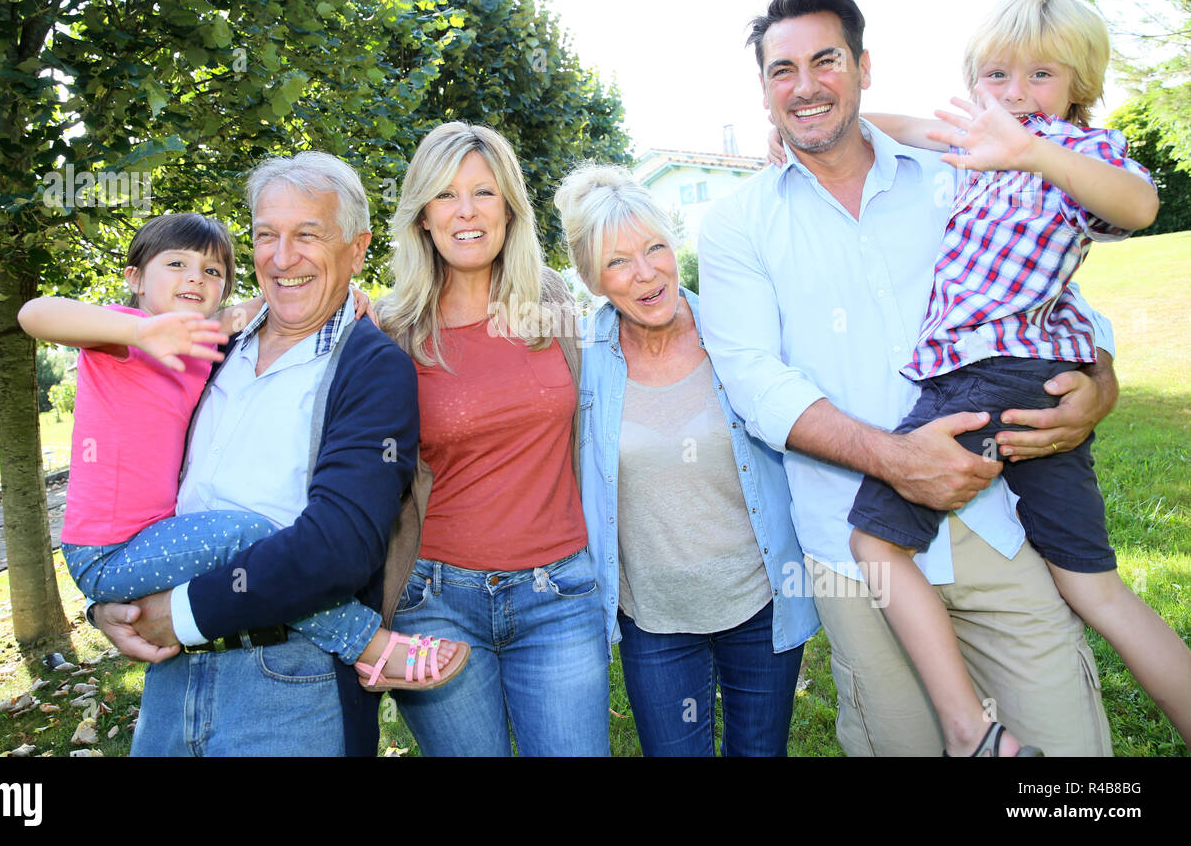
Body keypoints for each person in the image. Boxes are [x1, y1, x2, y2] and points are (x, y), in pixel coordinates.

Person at [699, 0, 1120, 756]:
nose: (805, 85)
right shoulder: (736, 222)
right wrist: (896, 460)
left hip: (997, 528)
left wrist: (1100, 384)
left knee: (1068, 764)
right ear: (763, 91)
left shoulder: (958, 169)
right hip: (857, 554)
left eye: (826, 60)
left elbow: (1058, 290)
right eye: (781, 69)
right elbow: (754, 379)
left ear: (863, 67)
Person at [843, 0, 1191, 753]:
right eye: (997, 76)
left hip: (988, 374)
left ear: (1078, 88)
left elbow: (1138, 205)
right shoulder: (973, 141)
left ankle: (971, 737)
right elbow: (902, 125)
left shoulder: (1074, 154)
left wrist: (1035, 150)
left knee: (873, 544)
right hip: (1030, 379)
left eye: (1041, 76)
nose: (1015, 94)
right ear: (975, 82)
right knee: (1090, 583)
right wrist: (835, 125)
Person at [20, 212, 468, 699]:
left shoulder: (207, 339)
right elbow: (35, 315)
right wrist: (138, 332)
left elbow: (276, 295)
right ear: (134, 279)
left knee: (255, 548)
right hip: (107, 551)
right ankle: (367, 645)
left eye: (212, 271)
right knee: (247, 534)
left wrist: (348, 294)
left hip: (154, 541)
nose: (194, 277)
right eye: (176, 264)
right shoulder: (121, 335)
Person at [87, 152, 425, 756]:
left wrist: (178, 612)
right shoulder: (208, 343)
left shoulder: (374, 368)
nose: (281, 256)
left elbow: (340, 550)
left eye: (308, 235)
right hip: (169, 680)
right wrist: (112, 606)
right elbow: (132, 473)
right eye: (266, 235)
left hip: (289, 682)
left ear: (357, 249)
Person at [555, 163, 819, 756]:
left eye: (655, 248)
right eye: (619, 262)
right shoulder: (578, 361)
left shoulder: (736, 333)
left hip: (758, 600)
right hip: (653, 619)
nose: (647, 274)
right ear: (593, 279)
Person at [375, 122, 610, 756]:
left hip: (558, 594)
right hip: (435, 601)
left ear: (510, 206)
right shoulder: (391, 331)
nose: (467, 212)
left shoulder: (552, 303)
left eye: (484, 192)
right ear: (422, 215)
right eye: (446, 195)